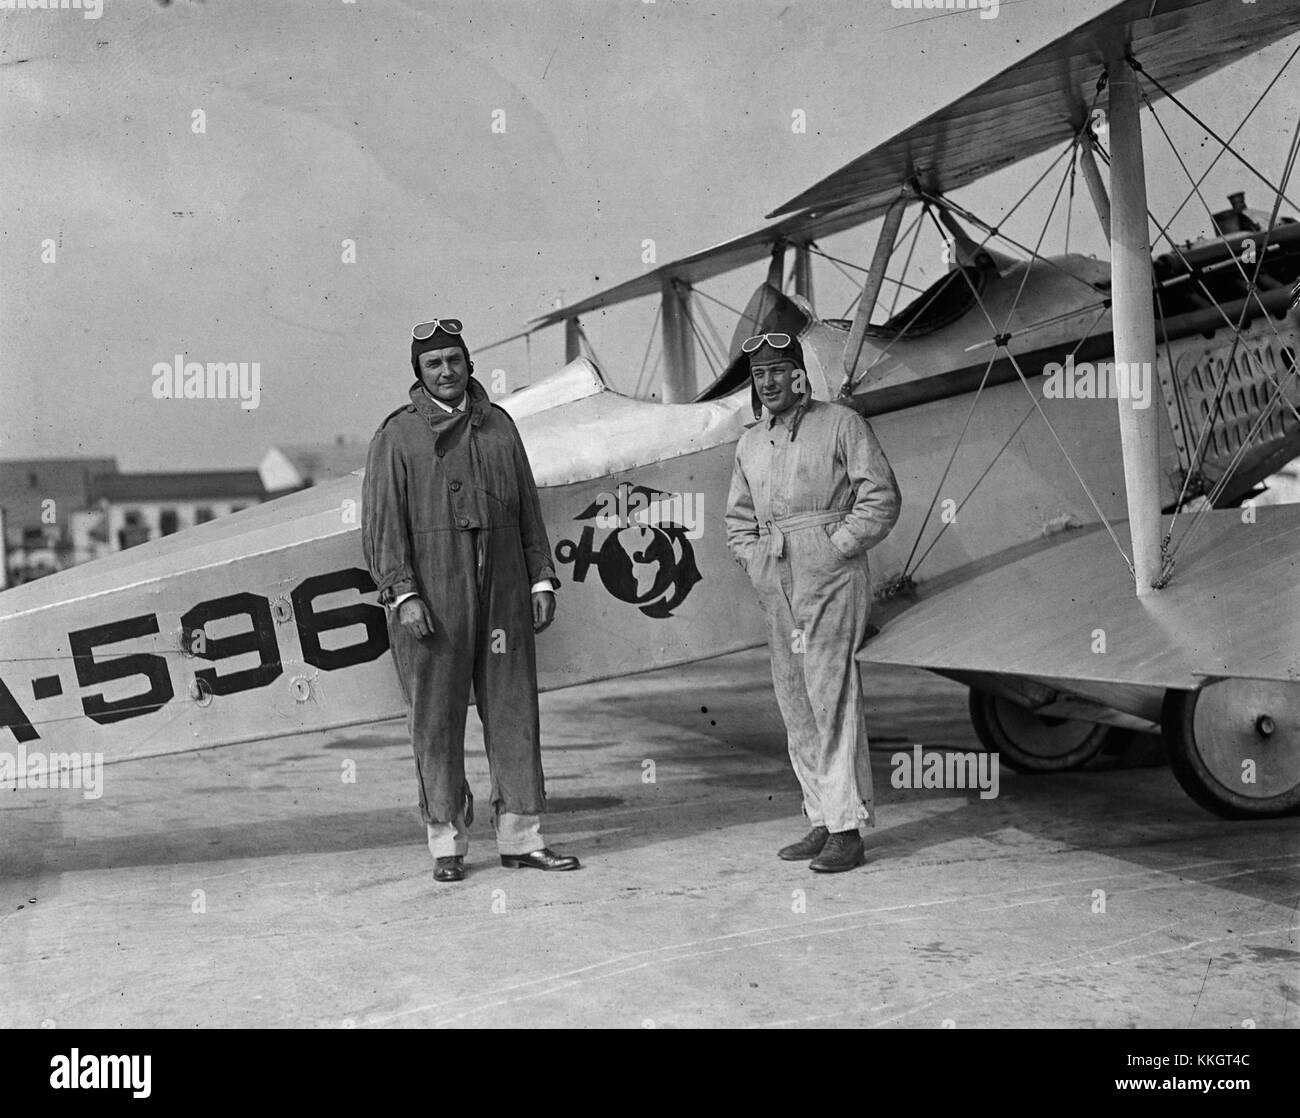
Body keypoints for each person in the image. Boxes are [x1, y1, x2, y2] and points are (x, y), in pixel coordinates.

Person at [362, 317, 580, 882]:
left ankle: (522, 839)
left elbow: (528, 508)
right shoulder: (397, 436)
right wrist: (402, 592)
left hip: (504, 588)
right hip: (434, 593)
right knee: (436, 720)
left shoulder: (500, 427)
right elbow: (383, 527)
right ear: (419, 372)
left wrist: (539, 578)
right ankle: (447, 846)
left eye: (454, 359)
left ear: (469, 364)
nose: (446, 370)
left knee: (513, 711)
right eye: (433, 363)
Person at [724, 332, 900, 872]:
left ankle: (847, 829)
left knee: (832, 691)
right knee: (794, 697)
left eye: (779, 371)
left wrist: (836, 548)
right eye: (760, 375)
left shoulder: (841, 423)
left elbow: (881, 496)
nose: (769, 382)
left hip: (829, 574)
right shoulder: (750, 442)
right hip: (776, 575)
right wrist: (755, 561)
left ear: (799, 374)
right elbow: (738, 520)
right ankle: (821, 818)